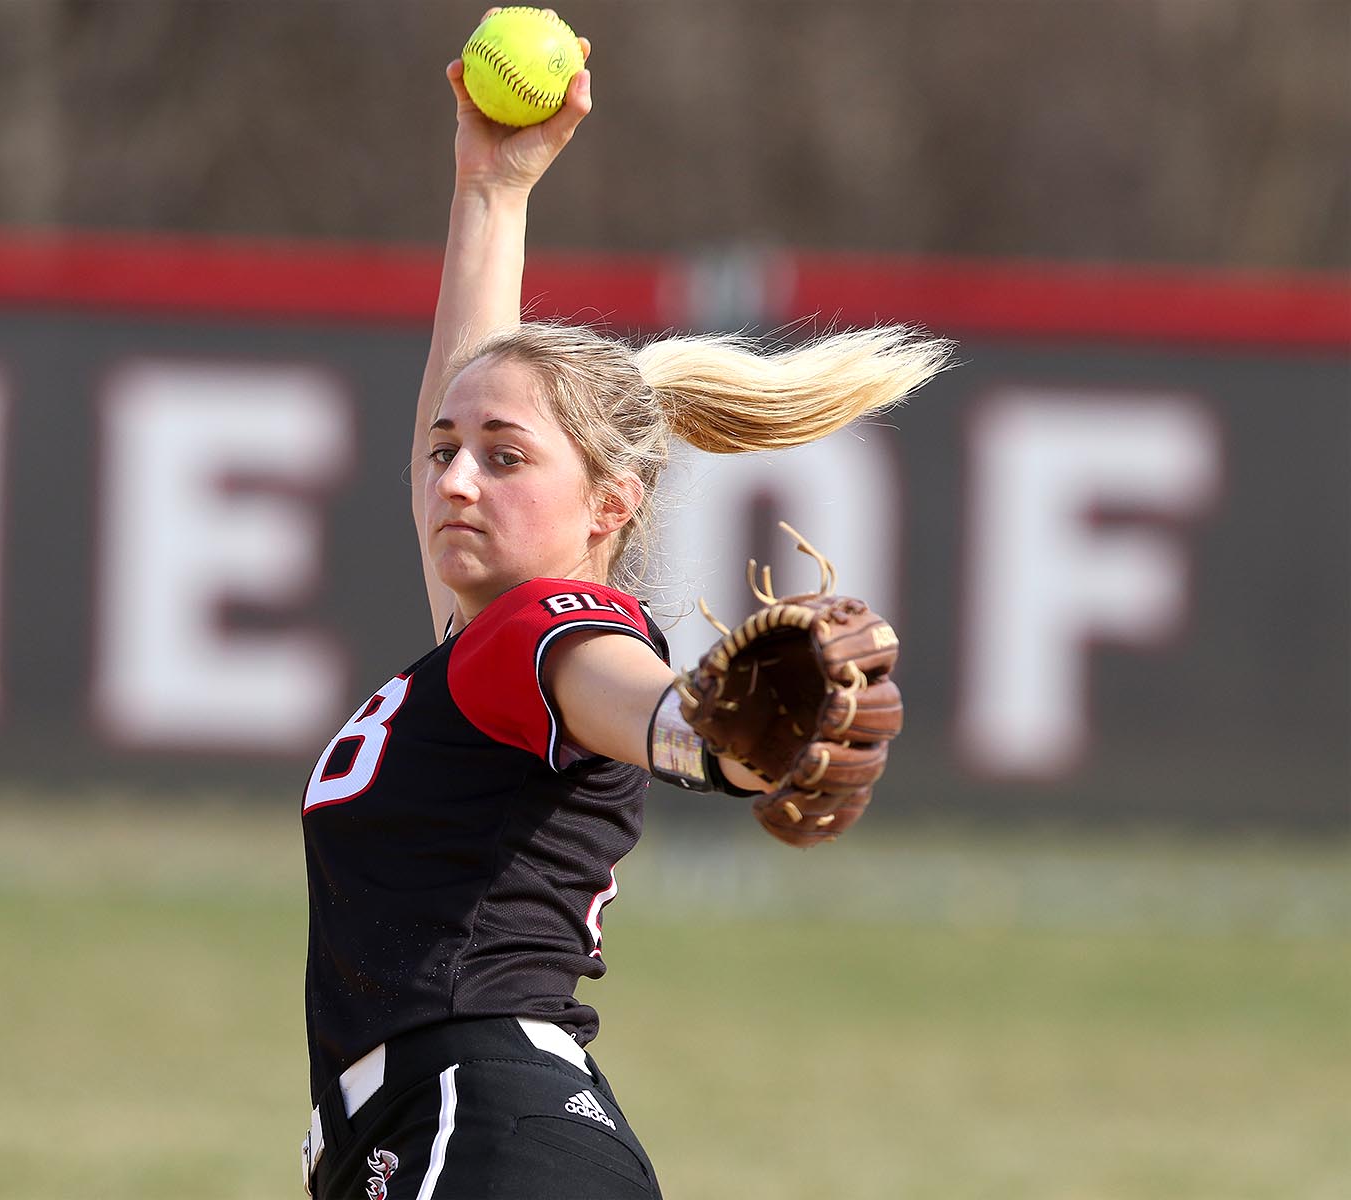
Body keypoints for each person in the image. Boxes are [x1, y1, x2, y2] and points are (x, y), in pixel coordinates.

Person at [299, 14, 952, 1198]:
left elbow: (629, 697)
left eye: (503, 457)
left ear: (611, 502)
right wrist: (491, 193)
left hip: (482, 1129)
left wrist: (704, 740)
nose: (451, 475)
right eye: (442, 449)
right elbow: (465, 399)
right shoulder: (477, 650)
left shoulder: (548, 633)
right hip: (472, 1129)